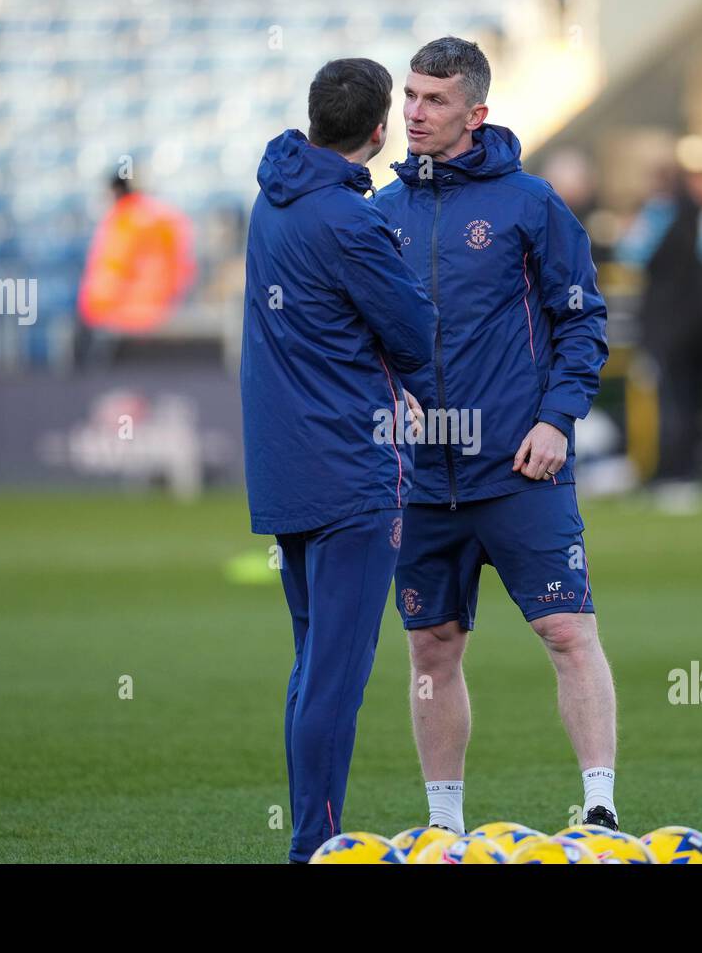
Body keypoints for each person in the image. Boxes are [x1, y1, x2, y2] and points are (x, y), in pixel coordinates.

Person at [371, 37, 616, 833]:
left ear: (475, 113)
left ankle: (602, 808)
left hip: (518, 467)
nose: (414, 111)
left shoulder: (530, 203)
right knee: (432, 649)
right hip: (420, 480)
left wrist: (557, 419)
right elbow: (358, 339)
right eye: (409, 95)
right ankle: (445, 826)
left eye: (434, 100)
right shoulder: (381, 214)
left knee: (567, 631)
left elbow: (583, 322)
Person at [241, 58, 438, 863]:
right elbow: (413, 329)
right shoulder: (348, 222)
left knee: (311, 664)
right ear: (379, 131)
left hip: (287, 466)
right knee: (337, 677)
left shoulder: (271, 198)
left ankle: (310, 836)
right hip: (353, 469)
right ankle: (315, 846)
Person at [618, 163, 702, 512]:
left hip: (668, 325)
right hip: (696, 326)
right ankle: (687, 473)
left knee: (673, 401)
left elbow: (630, 255)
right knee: (688, 400)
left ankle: (676, 476)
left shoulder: (660, 217)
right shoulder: (701, 215)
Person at [76, 170, 195, 368]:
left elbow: (111, 273)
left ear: (116, 191)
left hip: (130, 309)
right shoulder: (165, 215)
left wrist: (91, 309)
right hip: (167, 304)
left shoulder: (123, 220)